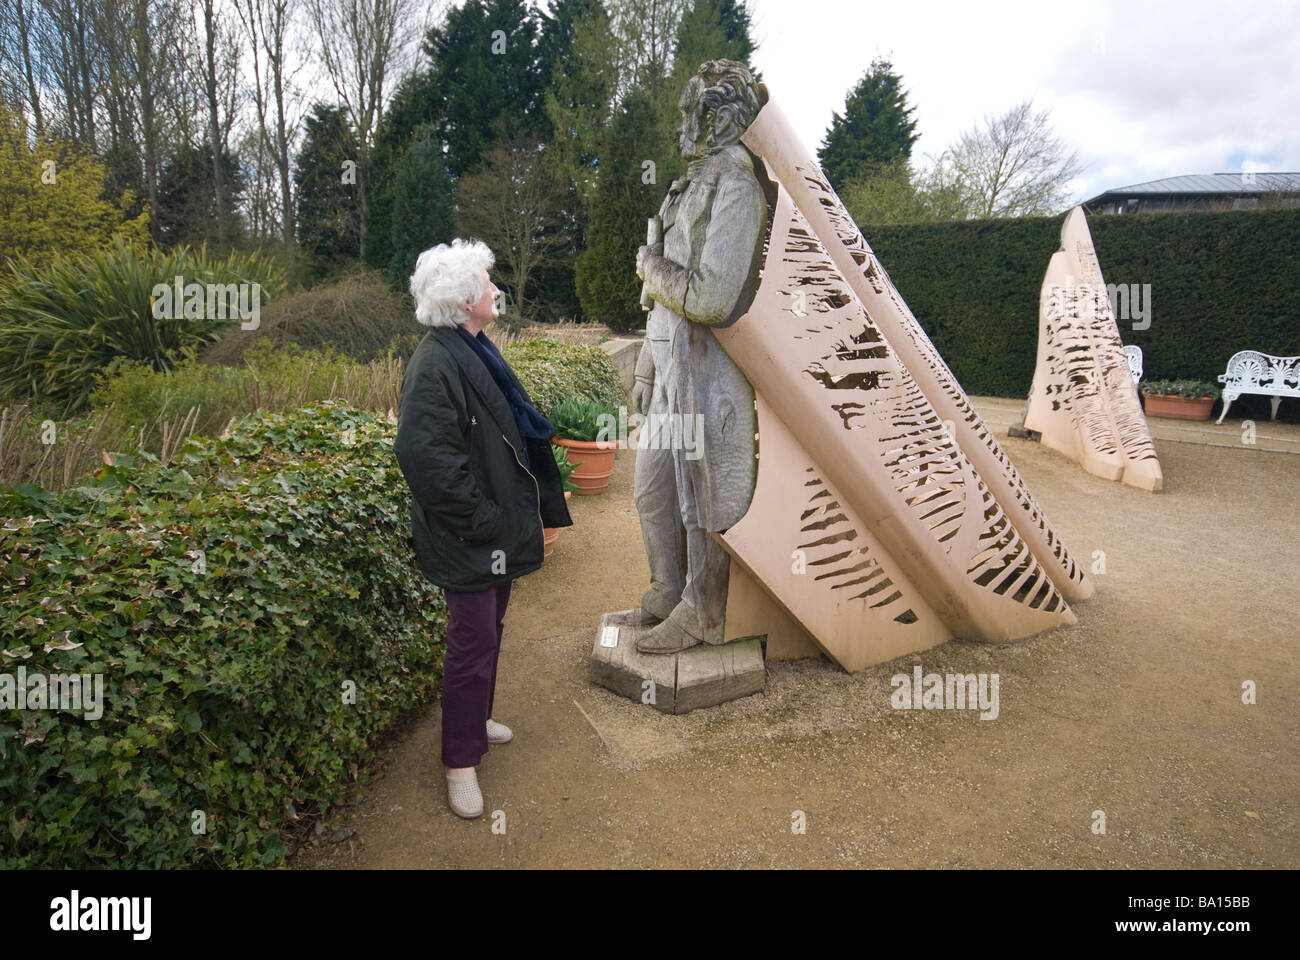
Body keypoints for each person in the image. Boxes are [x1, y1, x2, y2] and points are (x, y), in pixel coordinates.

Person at [394, 239, 571, 818]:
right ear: (464, 298)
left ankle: (477, 720)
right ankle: (460, 761)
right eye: (488, 283)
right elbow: (428, 464)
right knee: (470, 646)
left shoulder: (471, 347)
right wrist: (489, 523)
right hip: (472, 535)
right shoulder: (435, 364)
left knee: (488, 633)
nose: (496, 290)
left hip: (489, 532)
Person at [632, 59, 769, 654]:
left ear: (723, 119)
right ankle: (668, 587)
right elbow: (661, 301)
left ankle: (703, 610)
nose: (685, 122)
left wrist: (650, 265)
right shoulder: (691, 181)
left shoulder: (736, 183)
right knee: (650, 489)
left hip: (706, 371)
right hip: (669, 364)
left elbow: (711, 296)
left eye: (697, 110)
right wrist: (644, 363)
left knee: (700, 496)